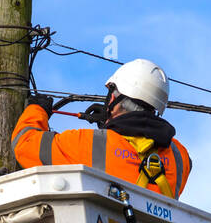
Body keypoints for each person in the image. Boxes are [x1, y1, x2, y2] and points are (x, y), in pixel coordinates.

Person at [10, 59, 192, 198]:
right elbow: (133, 148)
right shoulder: (180, 157)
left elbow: (25, 144)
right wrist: (113, 127)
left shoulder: (89, 144)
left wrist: (36, 109)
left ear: (113, 99)